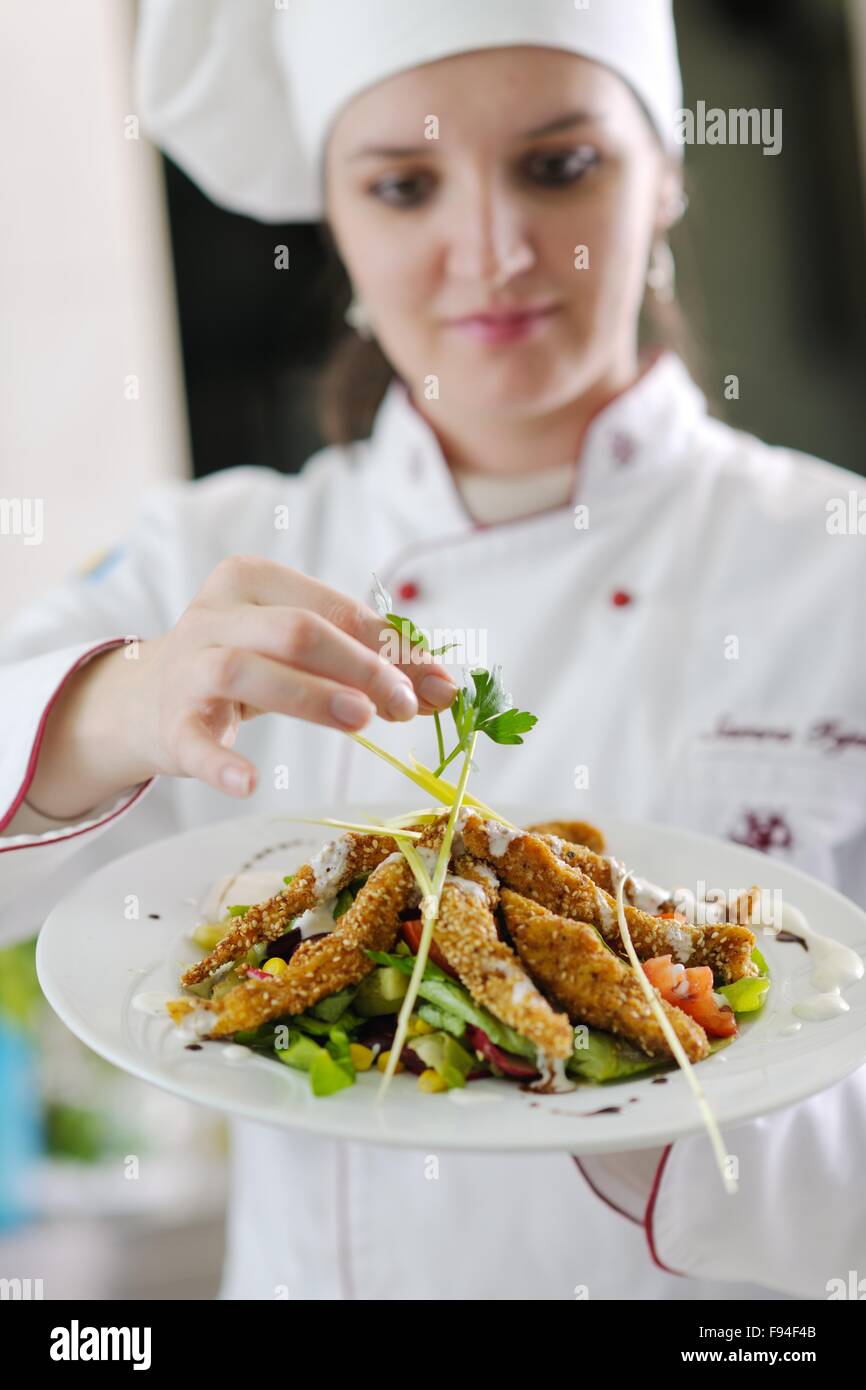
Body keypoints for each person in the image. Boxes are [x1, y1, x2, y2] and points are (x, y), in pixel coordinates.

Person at [2, 0, 865, 1300]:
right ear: (334, 220)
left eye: (558, 165)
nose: (494, 249)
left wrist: (654, 1084)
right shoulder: (209, 552)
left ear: (667, 172)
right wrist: (115, 710)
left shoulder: (835, 563)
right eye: (402, 185)